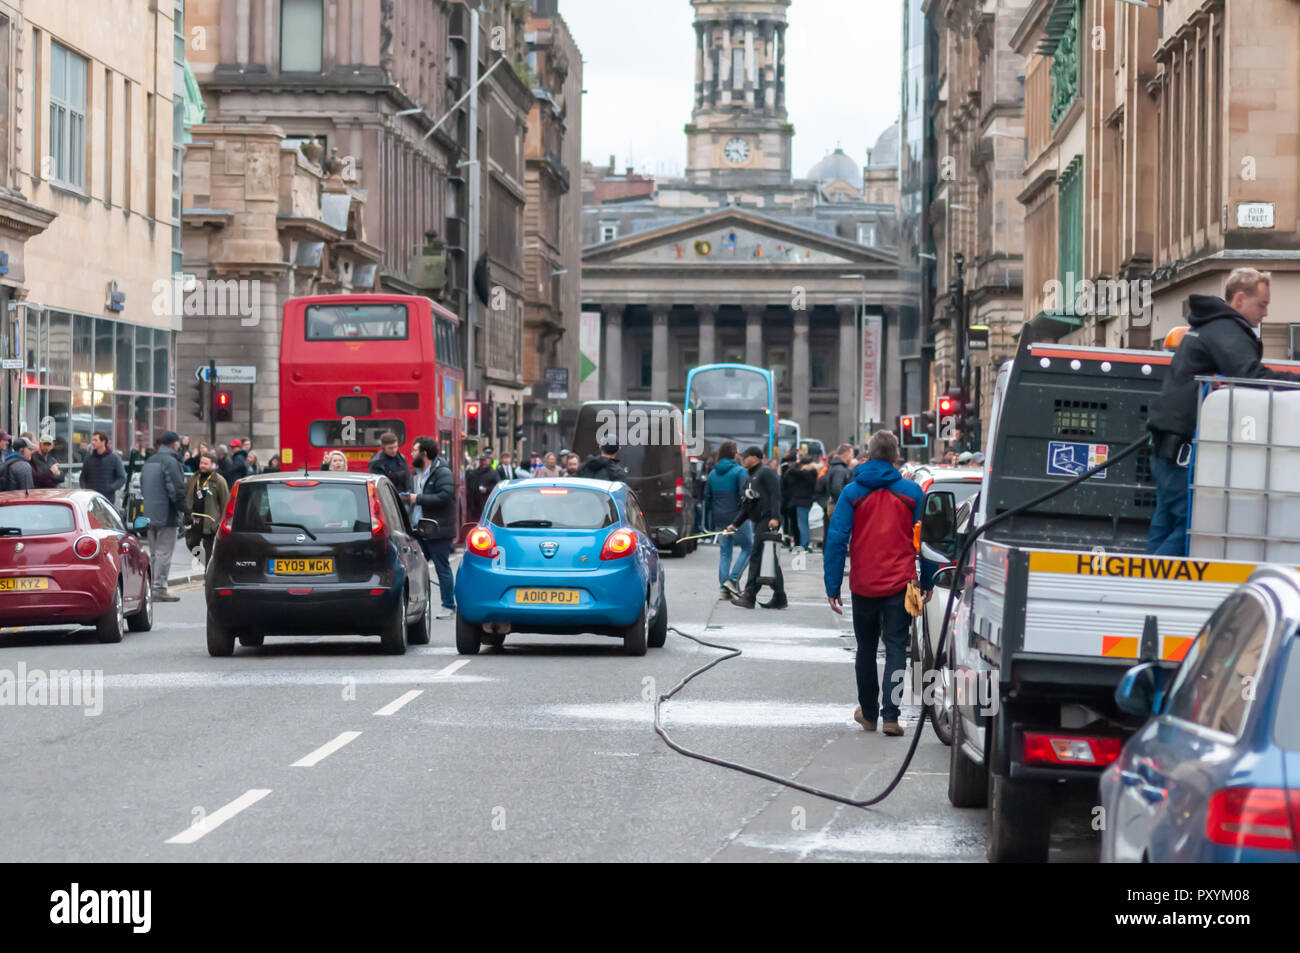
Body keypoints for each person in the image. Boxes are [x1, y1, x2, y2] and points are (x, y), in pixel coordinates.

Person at [1146, 267, 1300, 556]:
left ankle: (1136, 588)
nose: (1265, 313)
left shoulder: (1207, 326)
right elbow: (1250, 376)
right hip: (1183, 449)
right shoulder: (1226, 330)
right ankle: (1154, 590)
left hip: (1167, 443)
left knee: (1165, 524)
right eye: (1262, 305)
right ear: (1240, 299)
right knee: (1191, 528)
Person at [824, 430, 934, 737]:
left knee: (866, 649)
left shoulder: (852, 493)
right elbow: (925, 539)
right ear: (896, 457)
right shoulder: (912, 492)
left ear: (868, 456)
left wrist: (832, 585)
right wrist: (928, 578)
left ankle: (869, 714)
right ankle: (891, 716)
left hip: (863, 584)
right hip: (901, 583)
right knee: (897, 646)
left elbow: (836, 540)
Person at [726, 445, 786, 610]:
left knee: (756, 556)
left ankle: (749, 595)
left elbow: (775, 496)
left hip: (767, 520)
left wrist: (775, 517)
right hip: (759, 520)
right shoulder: (751, 476)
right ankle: (780, 596)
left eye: (746, 456)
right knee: (770, 559)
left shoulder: (765, 472)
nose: (743, 459)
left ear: (755, 457)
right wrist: (735, 524)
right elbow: (747, 507)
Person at [406, 436, 457, 619]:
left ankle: (448, 605)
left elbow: (445, 496)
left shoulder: (442, 472)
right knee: (414, 568)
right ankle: (416, 604)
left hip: (438, 529)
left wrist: (416, 498)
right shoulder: (416, 473)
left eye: (414, 450)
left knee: (442, 567)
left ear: (424, 453)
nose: (411, 453)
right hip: (419, 529)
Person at [140, 432, 187, 602]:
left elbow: (143, 487)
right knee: (164, 554)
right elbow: (176, 490)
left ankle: (152, 588)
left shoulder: (150, 461)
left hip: (150, 514)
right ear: (174, 444)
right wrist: (185, 511)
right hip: (167, 514)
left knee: (154, 553)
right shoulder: (171, 462)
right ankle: (159, 588)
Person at [705, 441, 752, 599]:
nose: (739, 454)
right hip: (737, 517)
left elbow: (707, 497)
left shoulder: (712, 474)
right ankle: (732, 579)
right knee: (749, 547)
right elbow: (744, 495)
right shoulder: (740, 472)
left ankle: (724, 589)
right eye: (737, 451)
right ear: (733, 453)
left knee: (725, 552)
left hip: (719, 517)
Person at [183, 451, 230, 567]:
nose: (202, 465)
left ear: (213, 466)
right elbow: (186, 497)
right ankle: (206, 562)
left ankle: (208, 574)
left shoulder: (219, 481)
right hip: (194, 519)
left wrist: (221, 522)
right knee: (191, 543)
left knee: (209, 548)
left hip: (210, 522)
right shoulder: (194, 478)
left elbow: (225, 503)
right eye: (201, 463)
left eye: (206, 463)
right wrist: (186, 515)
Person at [782, 453, 819, 552]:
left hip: (801, 501)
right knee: (802, 523)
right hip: (803, 501)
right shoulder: (811, 472)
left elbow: (790, 471)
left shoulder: (805, 473)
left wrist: (796, 463)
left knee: (802, 524)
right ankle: (802, 544)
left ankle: (804, 545)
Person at [81, 432, 127, 506]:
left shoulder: (114, 458)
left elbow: (122, 477)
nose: (93, 442)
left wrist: (110, 488)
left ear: (103, 442)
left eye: (96, 440)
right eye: (92, 440)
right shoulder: (88, 459)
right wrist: (85, 491)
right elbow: (82, 478)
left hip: (108, 499)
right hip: (90, 499)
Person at [466, 453, 499, 523]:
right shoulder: (474, 473)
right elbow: (470, 488)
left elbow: (497, 487)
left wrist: (487, 489)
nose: (483, 462)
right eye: (481, 460)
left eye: (485, 460)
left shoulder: (494, 473)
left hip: (488, 504)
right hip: (475, 507)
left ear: (489, 461)